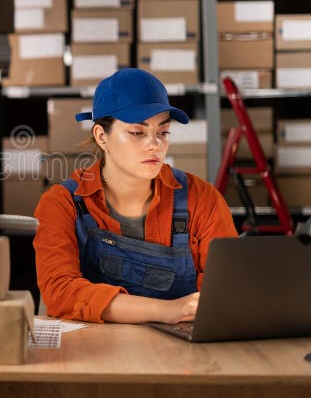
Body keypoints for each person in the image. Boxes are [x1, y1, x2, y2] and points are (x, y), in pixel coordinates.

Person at [34, 68, 238, 325]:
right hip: (95, 354)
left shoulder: (203, 200)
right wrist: (166, 310)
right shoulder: (62, 204)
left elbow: (226, 289)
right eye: (137, 132)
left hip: (181, 356)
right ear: (101, 136)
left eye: (163, 132)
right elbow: (60, 292)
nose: (155, 144)